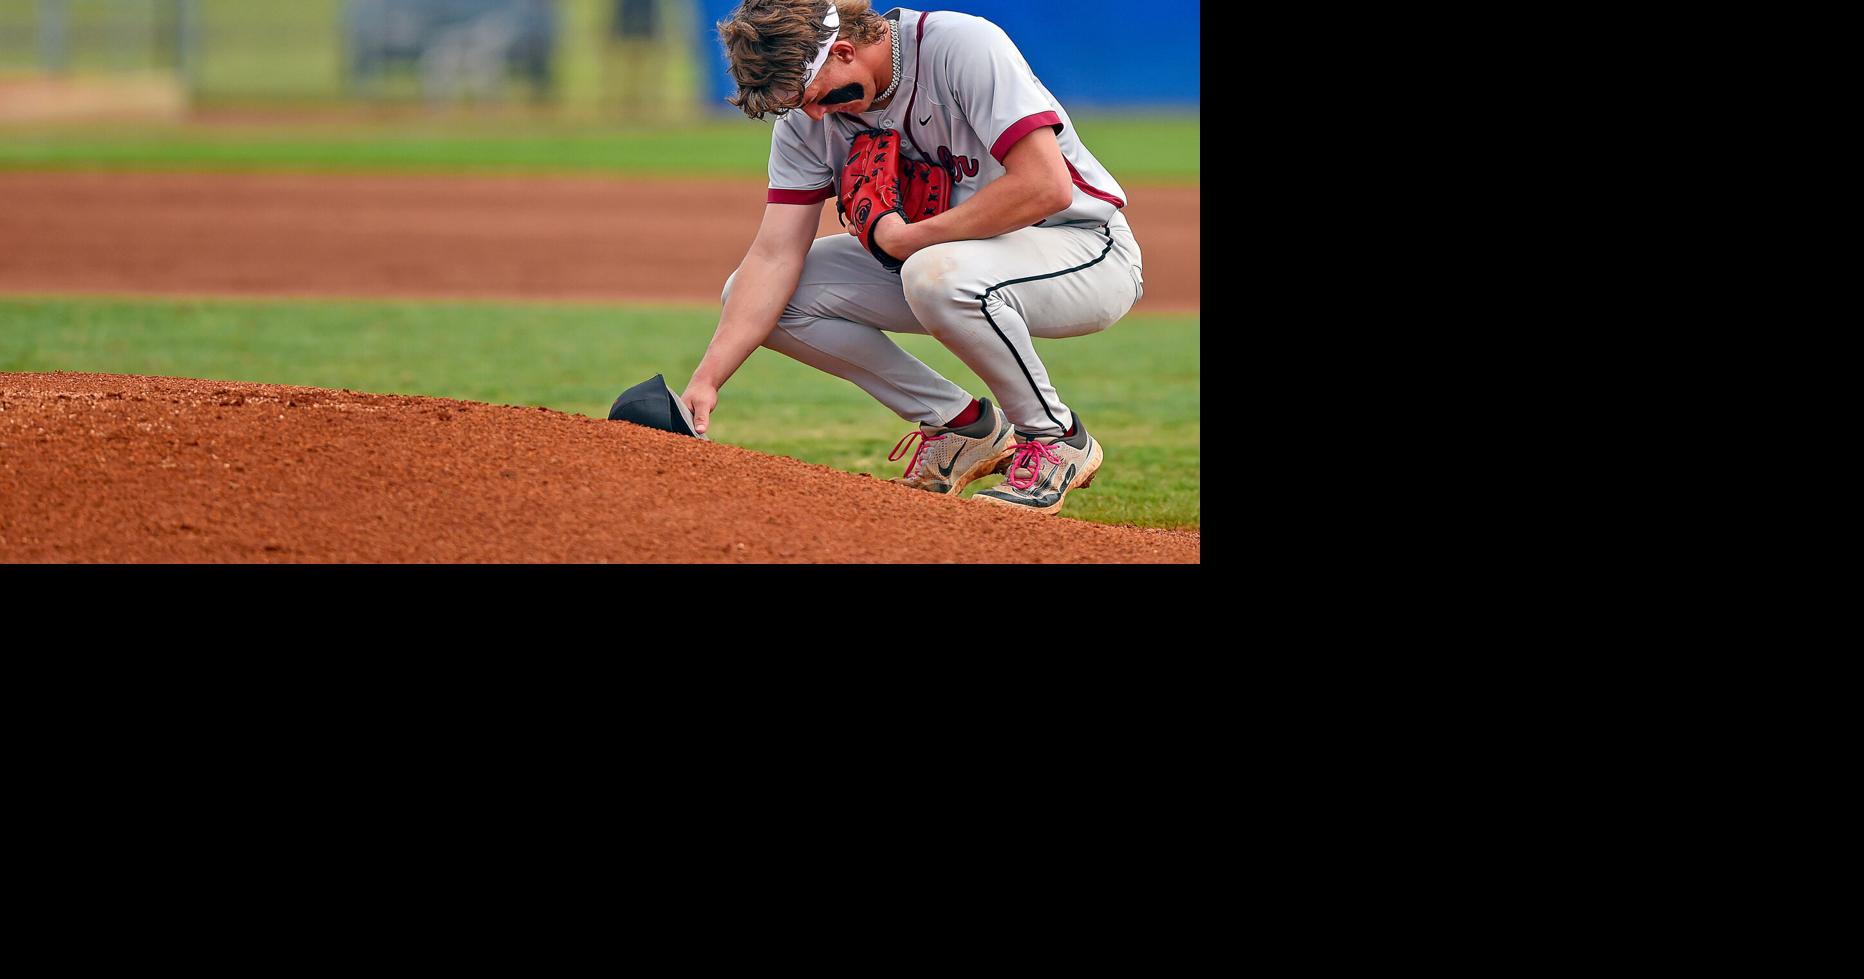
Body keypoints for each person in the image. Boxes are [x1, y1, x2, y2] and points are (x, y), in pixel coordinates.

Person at [684, 0, 1144, 514]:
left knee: (934, 272)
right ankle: (961, 425)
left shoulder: (960, 48)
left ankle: (1056, 439)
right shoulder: (807, 121)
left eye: (813, 97)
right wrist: (707, 379)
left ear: (842, 51)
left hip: (1082, 248)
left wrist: (910, 239)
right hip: (959, 265)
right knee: (759, 297)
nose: (812, 114)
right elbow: (772, 257)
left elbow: (1045, 187)